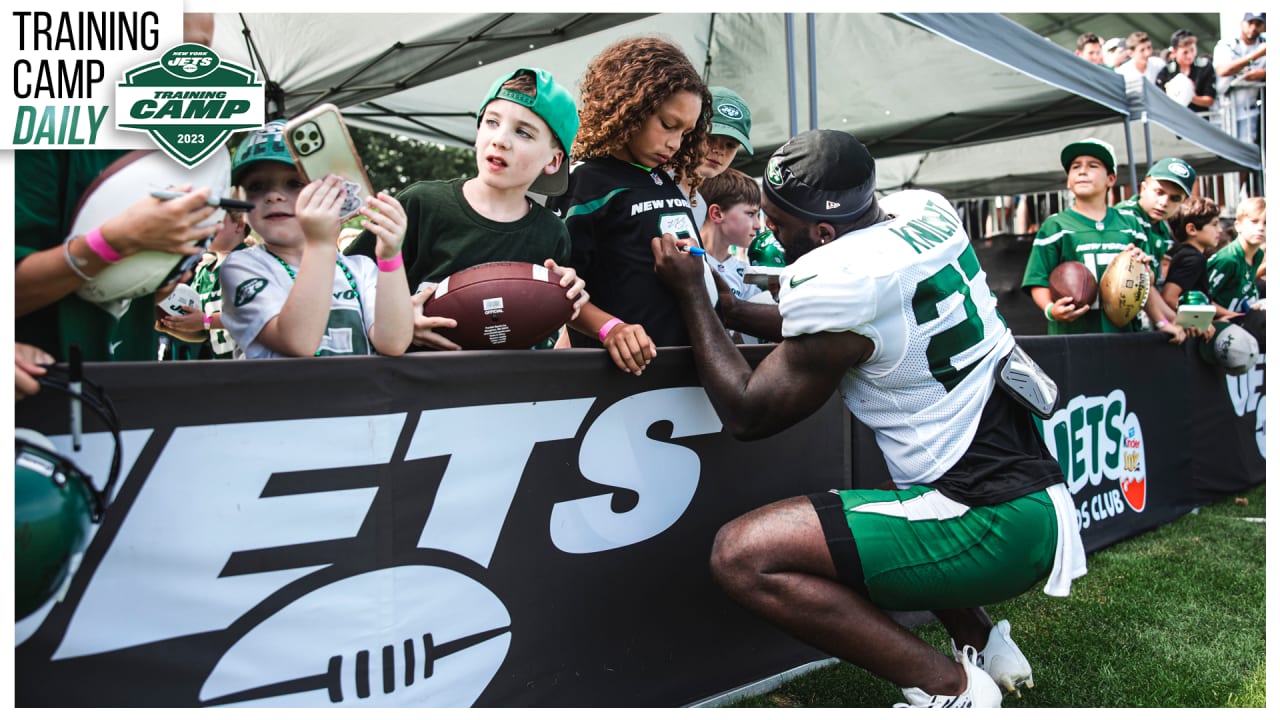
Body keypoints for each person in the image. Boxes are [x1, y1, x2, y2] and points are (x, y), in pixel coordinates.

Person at [651, 129, 1085, 708]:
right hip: (1038, 498)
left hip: (989, 527)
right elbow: (855, 317)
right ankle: (982, 642)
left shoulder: (843, 279)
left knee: (742, 555)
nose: (773, 237)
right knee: (890, 499)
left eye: (779, 225)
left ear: (825, 232)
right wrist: (730, 306)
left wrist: (693, 299)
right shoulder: (924, 209)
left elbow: (749, 412)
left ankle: (950, 689)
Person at [345, 67, 596, 360]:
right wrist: (393, 320)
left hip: (500, 396)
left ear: (553, 161)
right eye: (491, 122)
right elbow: (347, 283)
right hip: (412, 391)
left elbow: (544, 325)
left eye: (523, 132)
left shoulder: (552, 233)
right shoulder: (422, 203)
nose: (500, 139)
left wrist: (567, 297)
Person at [13, 14, 222, 362]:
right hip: (41, 396)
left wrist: (162, 273)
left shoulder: (168, 145)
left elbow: (127, 298)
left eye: (202, 54)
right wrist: (112, 243)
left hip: (124, 387)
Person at [546, 36, 714, 356]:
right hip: (621, 382)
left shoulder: (664, 178)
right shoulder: (583, 182)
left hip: (688, 371)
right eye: (668, 125)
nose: (676, 143)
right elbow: (557, 289)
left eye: (686, 133)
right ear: (631, 108)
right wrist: (610, 327)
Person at [218, 122, 413, 359]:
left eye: (295, 183)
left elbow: (393, 343)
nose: (273, 196)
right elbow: (299, 342)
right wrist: (320, 243)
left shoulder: (360, 268)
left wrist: (390, 257)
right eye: (256, 186)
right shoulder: (241, 266)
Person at [1022, 138, 1182, 341]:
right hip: (1074, 338)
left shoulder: (1130, 225)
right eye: (1075, 166)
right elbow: (1038, 279)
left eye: (1093, 165)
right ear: (1068, 181)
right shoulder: (1055, 226)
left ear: (1111, 179)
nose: (1082, 171)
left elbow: (1143, 286)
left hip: (1123, 337)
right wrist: (1051, 309)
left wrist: (1161, 321)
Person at [1113, 157, 1197, 336]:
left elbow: (1147, 284)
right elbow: (1135, 280)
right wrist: (1164, 321)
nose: (1164, 202)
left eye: (1175, 198)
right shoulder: (1125, 217)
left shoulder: (1161, 229)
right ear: (1143, 188)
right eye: (1159, 192)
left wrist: (1176, 320)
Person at [156, 209, 251, 359]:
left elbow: (253, 315)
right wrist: (175, 327)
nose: (207, 229)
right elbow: (204, 333)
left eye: (216, 222)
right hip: (223, 367)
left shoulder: (251, 263)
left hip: (254, 364)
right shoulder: (204, 272)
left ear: (239, 225)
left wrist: (206, 320)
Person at [677, 86, 753, 229]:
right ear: (689, 130)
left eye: (730, 145)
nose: (719, 150)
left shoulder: (699, 206)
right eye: (710, 138)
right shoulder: (650, 179)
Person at [1162, 196, 1230, 330]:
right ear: (1192, 229)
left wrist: (1230, 314)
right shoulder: (1192, 259)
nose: (1220, 230)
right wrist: (1196, 322)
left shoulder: (1190, 255)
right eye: (1214, 224)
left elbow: (1203, 302)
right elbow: (1169, 297)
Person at [697, 168, 762, 303]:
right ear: (717, 213)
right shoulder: (686, 261)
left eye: (758, 216)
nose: (758, 225)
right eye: (750, 214)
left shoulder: (745, 272)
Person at [1207, 197, 1266, 319]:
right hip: (1217, 322)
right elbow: (1202, 298)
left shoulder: (1258, 254)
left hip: (1242, 314)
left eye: (1266, 223)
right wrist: (1234, 315)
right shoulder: (1228, 259)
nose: (1261, 228)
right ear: (1238, 226)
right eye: (1254, 221)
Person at [1213, 12, 1267, 145]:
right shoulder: (1227, 44)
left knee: (1248, 151)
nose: (1253, 28)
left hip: (1251, 110)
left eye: (1258, 24)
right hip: (1224, 108)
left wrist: (1263, 73)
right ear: (1242, 23)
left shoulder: (1265, 43)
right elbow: (1223, 70)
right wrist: (1255, 56)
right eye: (1250, 23)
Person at [1156, 29, 1217, 113]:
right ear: (1174, 52)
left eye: (1192, 50)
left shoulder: (1205, 67)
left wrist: (1189, 95)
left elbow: (1209, 100)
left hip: (1198, 118)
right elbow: (1160, 101)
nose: (1190, 55)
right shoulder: (1166, 72)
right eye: (1185, 52)